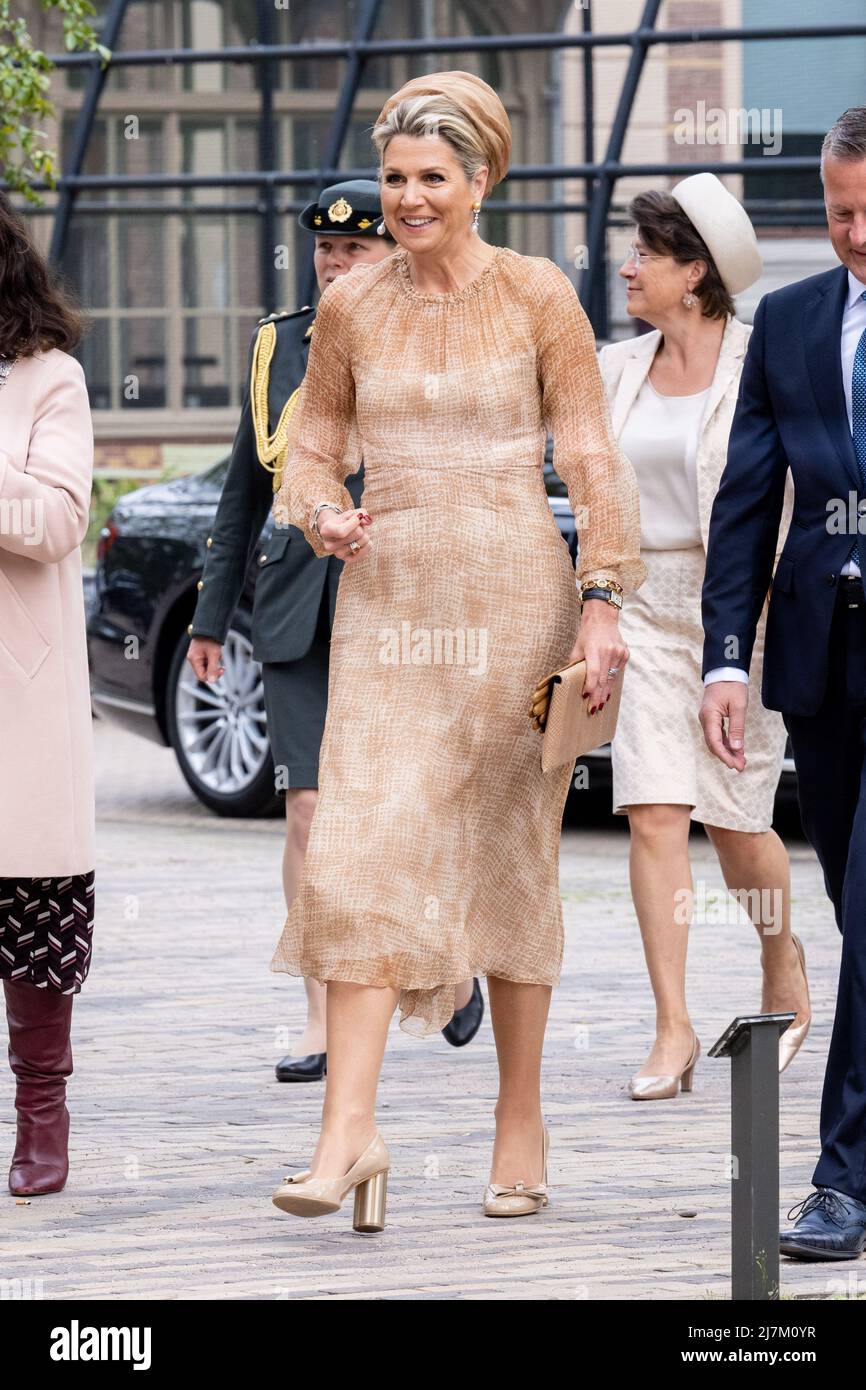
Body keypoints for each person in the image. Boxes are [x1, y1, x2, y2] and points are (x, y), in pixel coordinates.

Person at [268, 70, 645, 1230]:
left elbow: (588, 454)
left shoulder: (539, 295)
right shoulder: (349, 308)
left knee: (508, 860)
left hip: (513, 596)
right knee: (355, 850)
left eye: (432, 178)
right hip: (385, 601)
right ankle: (348, 1130)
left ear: (480, 181)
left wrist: (601, 600)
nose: (408, 198)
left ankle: (517, 1119)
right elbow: (309, 448)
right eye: (394, 179)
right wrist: (321, 510)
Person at [187, 181, 483, 1078]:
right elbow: (244, 489)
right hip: (294, 606)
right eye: (323, 248)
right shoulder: (278, 344)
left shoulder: (436, 332)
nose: (333, 262)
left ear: (394, 252)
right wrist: (210, 617)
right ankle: (317, 1013)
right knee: (308, 809)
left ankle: (451, 956)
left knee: (406, 804)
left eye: (353, 250)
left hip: (398, 599)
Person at [598, 174, 808, 1100]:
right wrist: (594, 599)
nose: (627, 264)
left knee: (736, 821)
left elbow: (793, 495)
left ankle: (781, 961)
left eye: (646, 252)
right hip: (645, 602)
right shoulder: (614, 369)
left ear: (697, 273)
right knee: (653, 808)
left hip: (742, 609)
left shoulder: (765, 361)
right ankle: (672, 1025)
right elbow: (589, 492)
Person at [700, 107, 866, 1260]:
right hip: (823, 664)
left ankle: (838, 1179)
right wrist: (723, 651)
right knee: (858, 912)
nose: (852, 233)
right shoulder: (790, 322)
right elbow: (747, 500)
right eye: (837, 210)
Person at [0, 191, 95, 1196]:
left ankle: (41, 1113)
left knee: (32, 916)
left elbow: (59, 517)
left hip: (15, 704)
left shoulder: (47, 378)